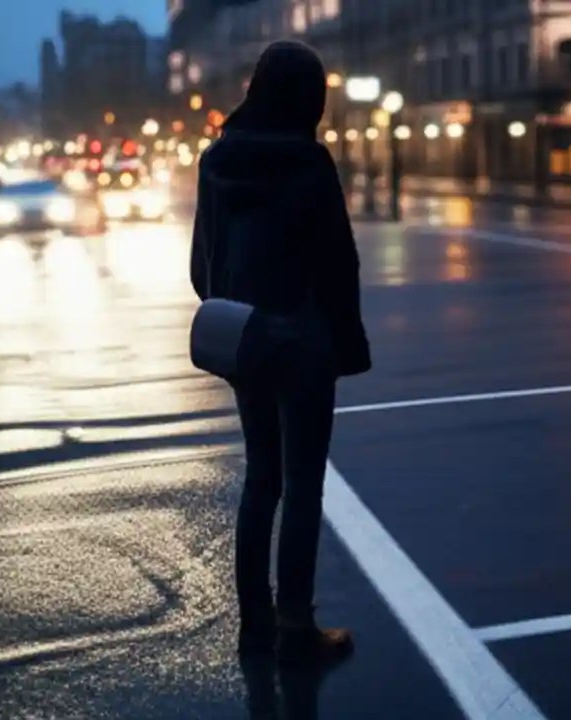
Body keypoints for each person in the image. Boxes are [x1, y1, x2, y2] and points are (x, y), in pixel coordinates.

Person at [190, 41, 372, 664]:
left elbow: (202, 263)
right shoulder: (309, 162)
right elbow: (337, 262)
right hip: (305, 338)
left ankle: (253, 619)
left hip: (246, 337)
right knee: (302, 483)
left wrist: (231, 304)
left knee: (260, 476)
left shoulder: (216, 161)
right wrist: (344, 338)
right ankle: (296, 621)